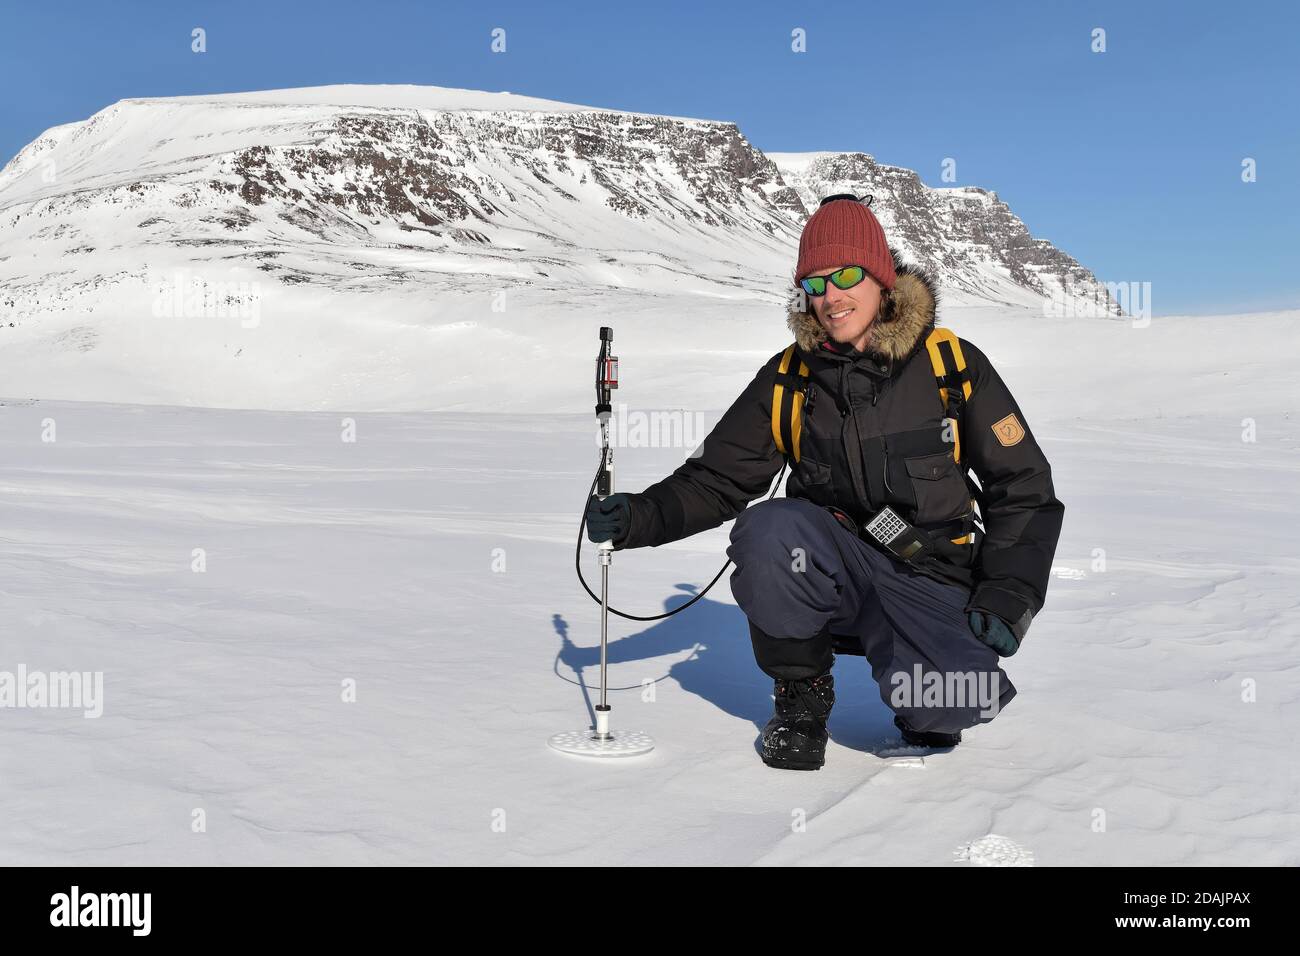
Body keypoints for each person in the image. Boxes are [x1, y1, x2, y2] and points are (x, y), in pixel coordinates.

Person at [585, 194, 1064, 770]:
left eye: (845, 276)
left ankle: (918, 693)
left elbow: (1024, 488)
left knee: (955, 703)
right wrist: (639, 517)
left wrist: (1009, 593)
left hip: (931, 576)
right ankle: (802, 698)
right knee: (770, 529)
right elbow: (717, 479)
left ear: (882, 279)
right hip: (832, 570)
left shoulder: (951, 366)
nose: (831, 297)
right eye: (814, 283)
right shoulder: (789, 377)